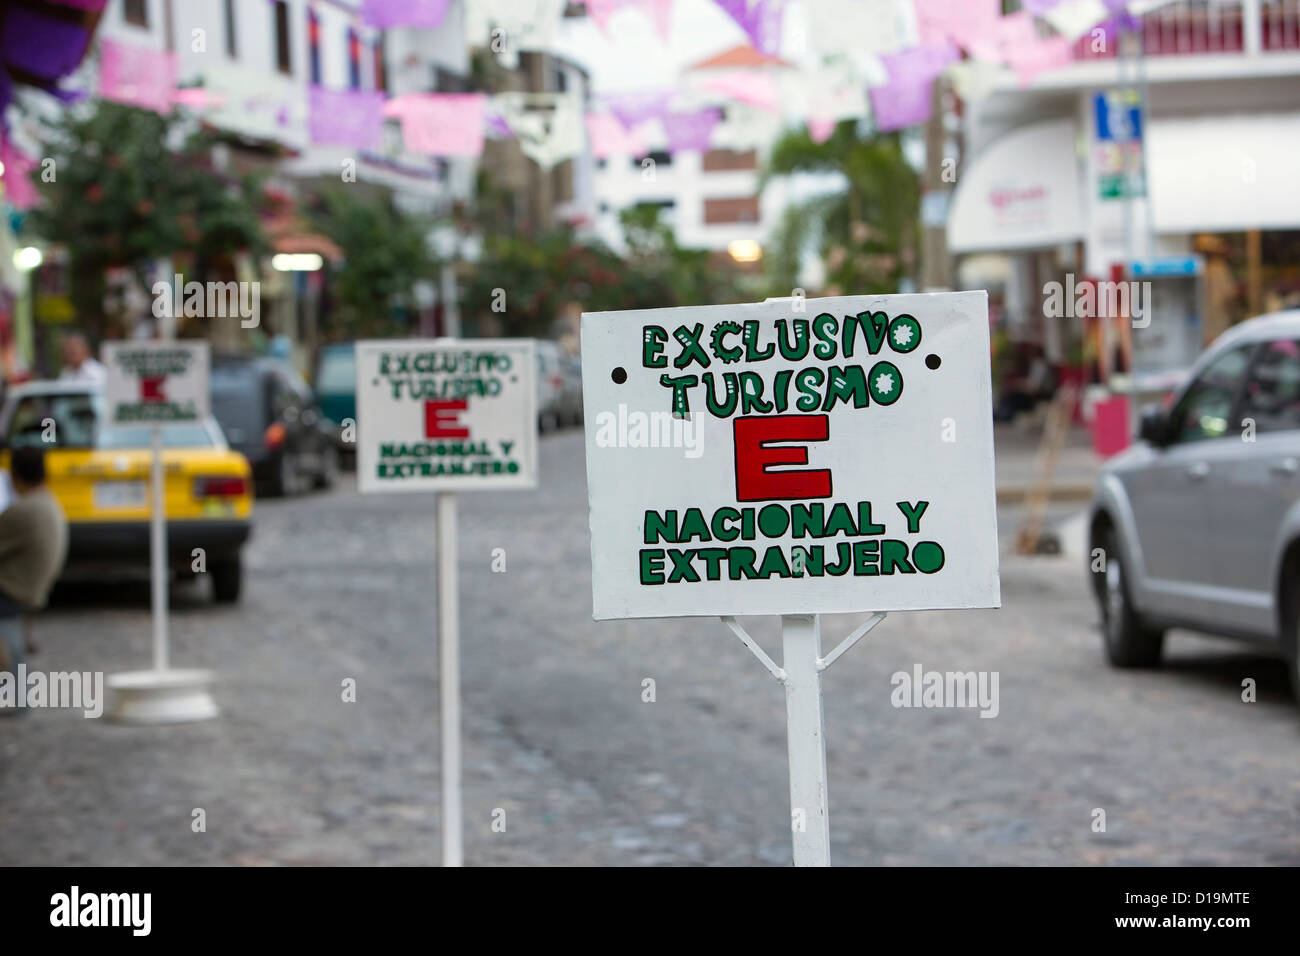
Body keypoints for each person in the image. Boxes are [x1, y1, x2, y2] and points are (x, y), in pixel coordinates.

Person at [0, 447, 69, 714]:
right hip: (32, 582)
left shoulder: (23, 511)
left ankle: (16, 692)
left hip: (14, 587)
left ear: (15, 476)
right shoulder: (47, 502)